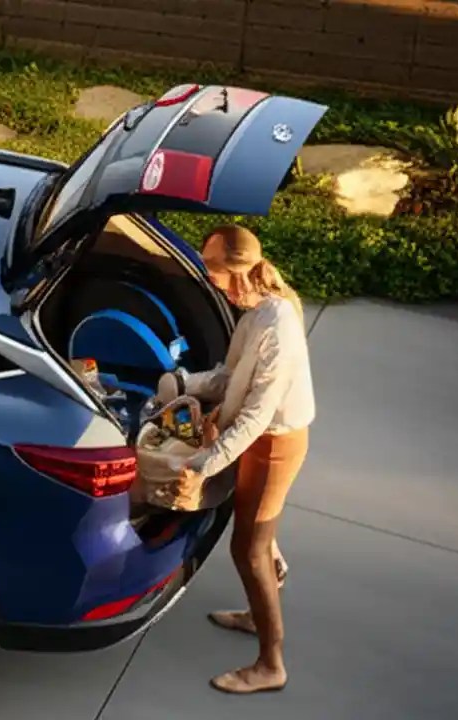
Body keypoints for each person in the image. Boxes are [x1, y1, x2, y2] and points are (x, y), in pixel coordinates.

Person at [162, 224, 315, 695]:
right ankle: (256, 613)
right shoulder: (256, 309)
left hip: (273, 445)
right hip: (262, 438)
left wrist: (200, 463)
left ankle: (271, 664)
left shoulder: (277, 329)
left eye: (211, 269)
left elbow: (253, 418)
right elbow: (230, 376)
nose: (207, 279)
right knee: (253, 534)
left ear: (236, 272)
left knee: (247, 550)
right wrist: (182, 384)